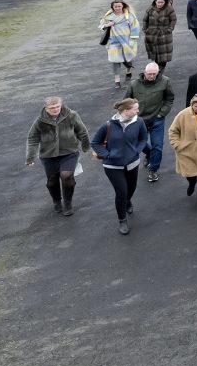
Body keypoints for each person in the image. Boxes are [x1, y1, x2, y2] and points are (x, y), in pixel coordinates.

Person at [90, 98, 147, 235]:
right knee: (121, 191)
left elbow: (143, 139)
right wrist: (107, 155)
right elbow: (95, 142)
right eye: (135, 109)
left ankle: (127, 201)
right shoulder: (108, 125)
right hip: (112, 166)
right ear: (126, 110)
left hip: (132, 163)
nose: (138, 111)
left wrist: (136, 151)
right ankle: (122, 220)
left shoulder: (139, 122)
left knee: (131, 188)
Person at [27, 95, 89, 216]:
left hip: (69, 152)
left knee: (66, 176)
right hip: (48, 155)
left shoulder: (71, 115)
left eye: (57, 106)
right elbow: (32, 138)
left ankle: (68, 203)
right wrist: (30, 157)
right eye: (52, 108)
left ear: (61, 105)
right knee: (52, 181)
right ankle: (56, 200)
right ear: (46, 108)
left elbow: (82, 131)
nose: (55, 109)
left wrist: (85, 145)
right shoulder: (40, 121)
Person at [130, 61, 175, 182]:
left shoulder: (165, 81)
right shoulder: (134, 84)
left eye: (154, 74)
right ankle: (149, 154)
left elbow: (169, 98)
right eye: (149, 74)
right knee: (138, 142)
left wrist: (162, 113)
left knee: (157, 146)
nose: (151, 76)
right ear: (144, 72)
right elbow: (127, 101)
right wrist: (128, 115)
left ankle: (153, 170)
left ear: (158, 73)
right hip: (139, 120)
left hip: (157, 119)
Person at [99, 0, 142, 88]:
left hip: (126, 41)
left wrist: (132, 40)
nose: (117, 8)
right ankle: (117, 80)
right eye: (115, 7)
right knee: (115, 60)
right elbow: (101, 26)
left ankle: (129, 69)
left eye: (119, 6)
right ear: (112, 7)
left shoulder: (129, 16)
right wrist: (107, 25)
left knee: (127, 59)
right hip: (113, 42)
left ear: (123, 6)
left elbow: (135, 27)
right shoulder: (108, 16)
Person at [142, 0, 178, 75]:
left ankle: (159, 73)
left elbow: (173, 20)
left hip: (164, 36)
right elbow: (145, 20)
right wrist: (146, 30)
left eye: (162, 2)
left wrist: (169, 29)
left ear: (165, 2)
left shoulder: (169, 9)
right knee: (155, 55)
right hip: (152, 35)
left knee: (163, 57)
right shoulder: (150, 9)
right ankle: (157, 71)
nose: (160, 4)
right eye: (158, 2)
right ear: (155, 1)